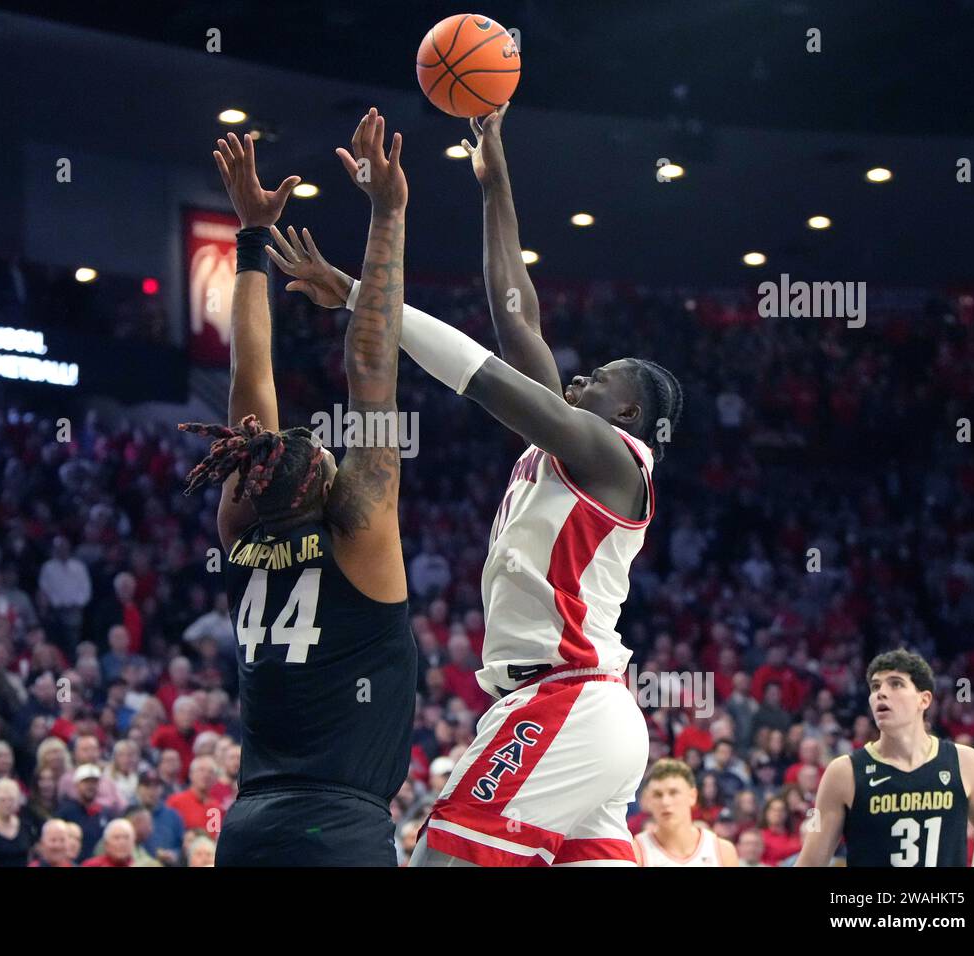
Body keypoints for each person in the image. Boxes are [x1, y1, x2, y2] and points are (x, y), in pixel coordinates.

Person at [271, 104, 680, 868]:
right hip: (568, 709)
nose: (581, 375)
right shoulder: (566, 443)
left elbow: (482, 375)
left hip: (568, 700)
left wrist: (364, 294)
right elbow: (514, 314)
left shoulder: (616, 455)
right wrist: (495, 187)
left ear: (629, 412)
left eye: (601, 378)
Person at [176, 111, 415, 866]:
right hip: (336, 830)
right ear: (326, 488)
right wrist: (388, 214)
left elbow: (252, 380)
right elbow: (371, 359)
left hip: (248, 825)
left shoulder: (249, 537)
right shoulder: (355, 543)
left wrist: (250, 238)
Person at [797, 649, 974, 867]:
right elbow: (809, 864)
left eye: (896, 684)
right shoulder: (843, 772)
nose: (881, 693)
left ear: (924, 700)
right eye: (875, 687)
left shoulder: (965, 762)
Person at [632, 759, 737, 867]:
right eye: (657, 795)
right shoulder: (635, 852)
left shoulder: (722, 851)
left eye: (673, 793)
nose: (665, 802)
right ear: (648, 801)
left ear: (692, 796)